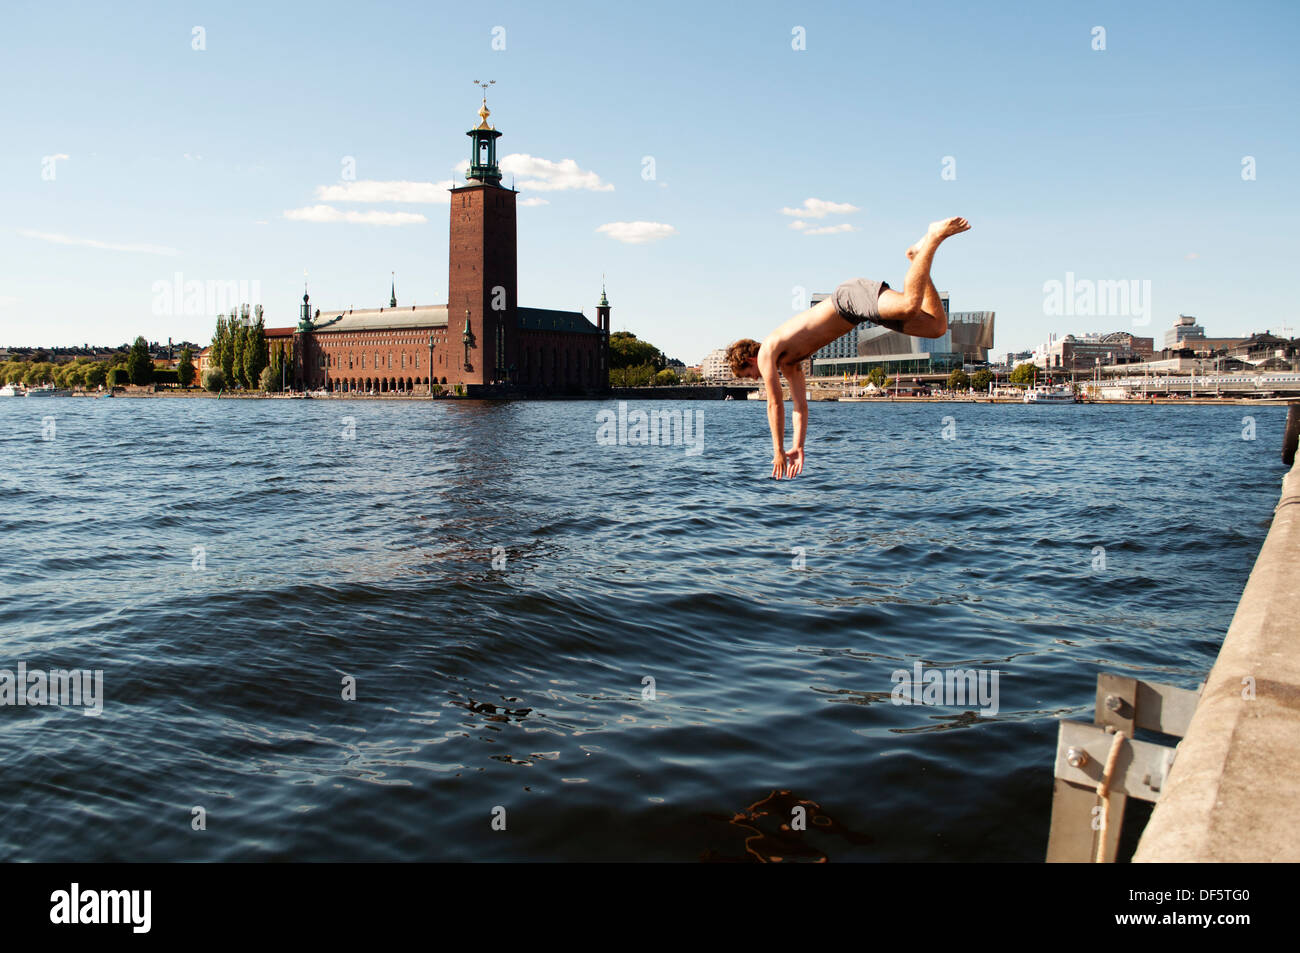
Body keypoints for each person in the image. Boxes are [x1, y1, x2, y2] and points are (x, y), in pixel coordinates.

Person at [726, 217, 970, 478]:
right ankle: (916, 258)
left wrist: (776, 450)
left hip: (848, 299)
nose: (754, 379)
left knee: (910, 305)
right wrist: (797, 446)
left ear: (749, 360)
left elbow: (775, 404)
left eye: (748, 375)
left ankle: (932, 238)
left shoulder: (766, 352)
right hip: (857, 314)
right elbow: (799, 407)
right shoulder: (789, 363)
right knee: (936, 328)